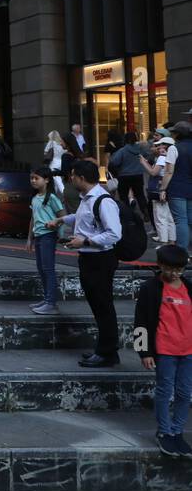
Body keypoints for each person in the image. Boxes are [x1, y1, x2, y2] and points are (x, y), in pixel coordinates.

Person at [61, 159, 124, 367]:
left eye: (73, 175)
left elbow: (114, 233)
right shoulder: (86, 199)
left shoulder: (103, 200)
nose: (71, 179)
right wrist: (62, 220)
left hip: (100, 259)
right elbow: (82, 218)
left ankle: (107, 352)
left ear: (81, 177)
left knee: (103, 305)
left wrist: (86, 241)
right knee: (97, 305)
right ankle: (104, 349)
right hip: (88, 258)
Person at [134, 244, 192, 456]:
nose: (175, 274)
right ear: (160, 265)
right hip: (165, 350)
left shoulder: (188, 286)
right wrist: (144, 352)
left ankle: (177, 432)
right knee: (165, 391)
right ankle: (164, 432)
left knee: (185, 393)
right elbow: (140, 320)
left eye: (179, 270)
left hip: (188, 350)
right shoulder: (150, 288)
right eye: (170, 269)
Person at [27, 167, 68, 314]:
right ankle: (47, 299)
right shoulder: (35, 198)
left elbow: (62, 215)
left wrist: (56, 228)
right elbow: (33, 218)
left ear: (47, 180)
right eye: (32, 178)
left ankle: (51, 302)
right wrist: (29, 238)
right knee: (41, 268)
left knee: (48, 269)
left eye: (36, 178)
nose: (33, 181)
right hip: (38, 236)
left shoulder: (51, 198)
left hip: (48, 236)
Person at [109, 131, 151, 227]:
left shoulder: (123, 150)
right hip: (138, 174)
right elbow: (147, 156)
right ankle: (145, 212)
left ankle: (128, 214)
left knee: (123, 196)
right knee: (140, 194)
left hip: (124, 175)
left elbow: (114, 162)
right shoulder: (140, 149)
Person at [165, 121, 192, 251]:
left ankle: (183, 251)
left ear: (178, 134)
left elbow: (169, 171)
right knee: (190, 220)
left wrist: (162, 188)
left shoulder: (174, 148)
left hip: (177, 188)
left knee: (181, 220)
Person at [147, 136, 176, 244]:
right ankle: (171, 241)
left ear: (166, 146)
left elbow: (154, 172)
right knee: (169, 217)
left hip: (161, 188)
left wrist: (162, 189)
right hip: (172, 188)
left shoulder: (162, 158)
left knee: (160, 217)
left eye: (160, 145)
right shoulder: (173, 156)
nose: (158, 147)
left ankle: (164, 242)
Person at [44, 130, 68, 196]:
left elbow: (45, 152)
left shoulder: (51, 142)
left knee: (56, 178)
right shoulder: (62, 142)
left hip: (54, 162)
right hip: (61, 161)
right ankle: (55, 195)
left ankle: (63, 192)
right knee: (56, 179)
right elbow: (66, 150)